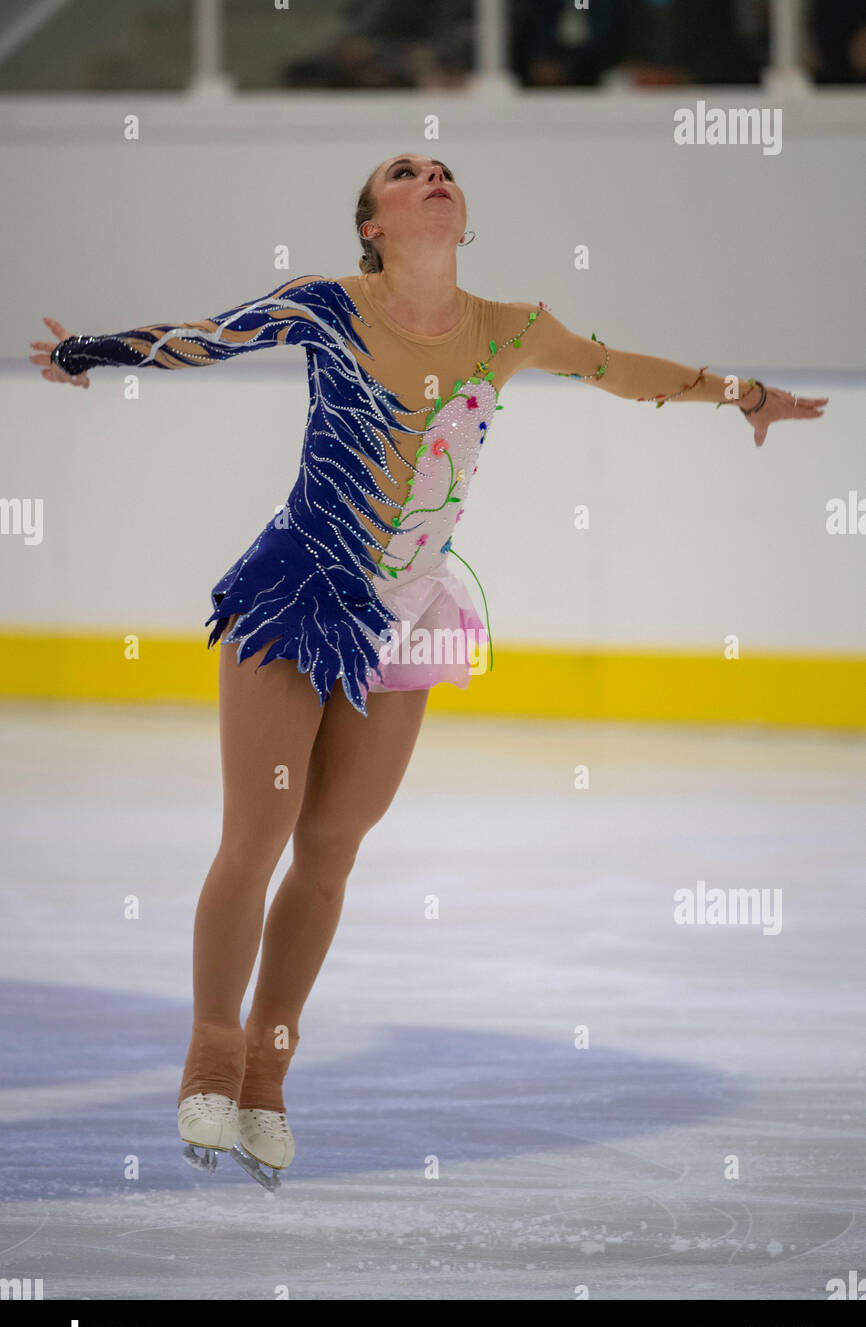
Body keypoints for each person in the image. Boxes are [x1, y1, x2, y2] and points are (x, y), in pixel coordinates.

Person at [30, 152, 827, 1180]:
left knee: (329, 848)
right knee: (258, 833)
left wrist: (743, 392)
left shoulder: (511, 326)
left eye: (444, 168)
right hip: (295, 596)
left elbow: (616, 369)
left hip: (406, 613)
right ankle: (209, 1058)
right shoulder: (325, 304)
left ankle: (268, 1076)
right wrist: (94, 351)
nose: (432, 175)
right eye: (405, 173)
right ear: (373, 223)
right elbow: (207, 339)